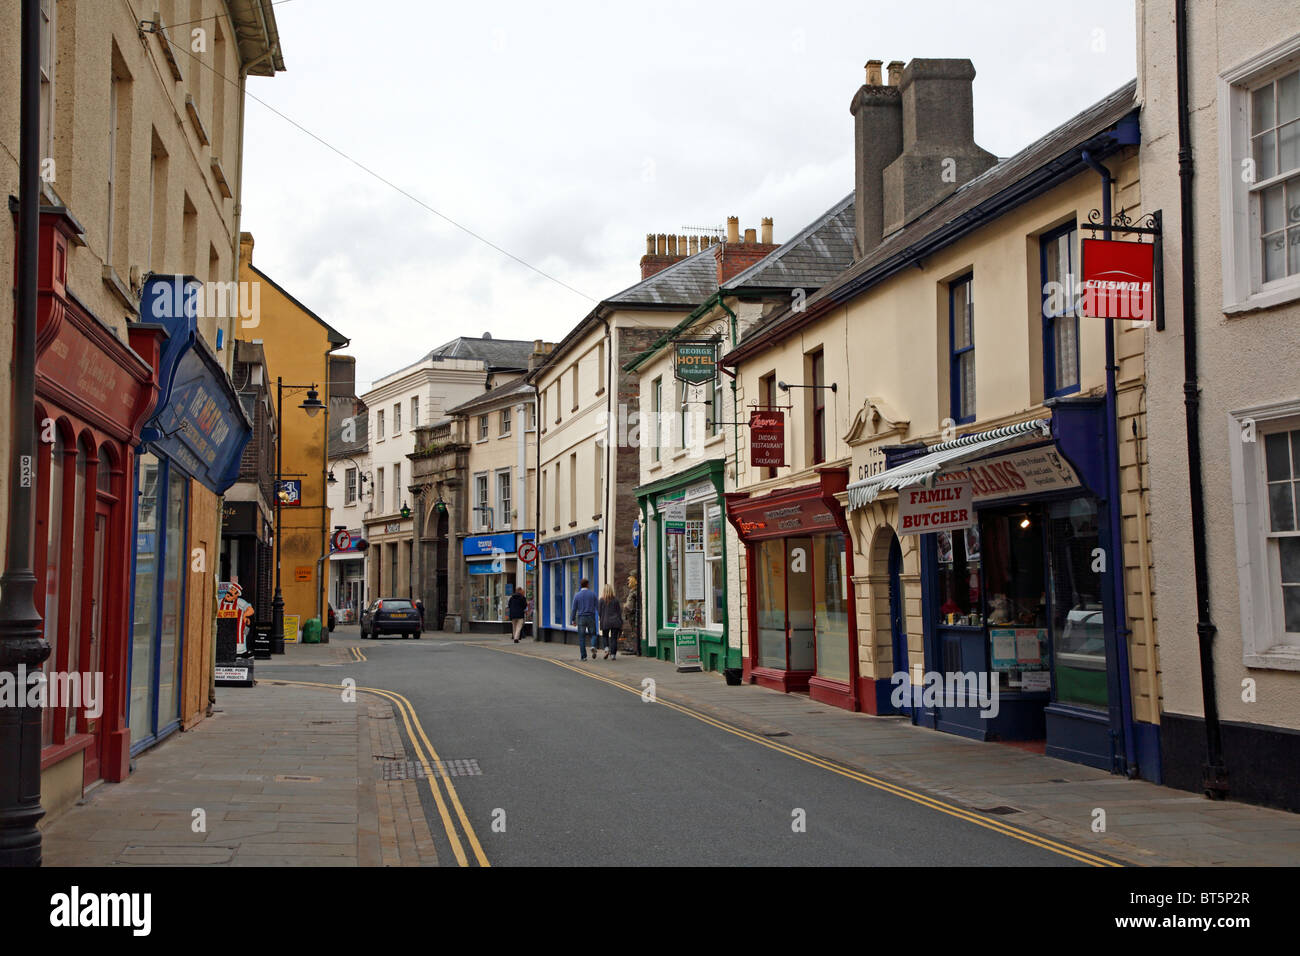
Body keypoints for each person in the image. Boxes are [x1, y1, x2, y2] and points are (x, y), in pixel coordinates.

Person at [571, 577, 598, 661]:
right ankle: (593, 646)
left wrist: (572, 620)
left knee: (581, 637)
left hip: (581, 618)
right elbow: (597, 606)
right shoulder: (592, 594)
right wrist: (601, 616)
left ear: (581, 585)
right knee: (593, 634)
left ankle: (584, 657)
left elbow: (574, 609)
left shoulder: (577, 595)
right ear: (587, 584)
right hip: (591, 617)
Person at [597, 583, 623, 660]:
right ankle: (613, 655)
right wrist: (621, 622)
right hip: (615, 621)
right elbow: (619, 612)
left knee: (605, 636)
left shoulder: (601, 600)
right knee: (614, 638)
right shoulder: (616, 600)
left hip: (605, 621)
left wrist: (601, 618)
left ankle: (606, 649)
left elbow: (599, 612)